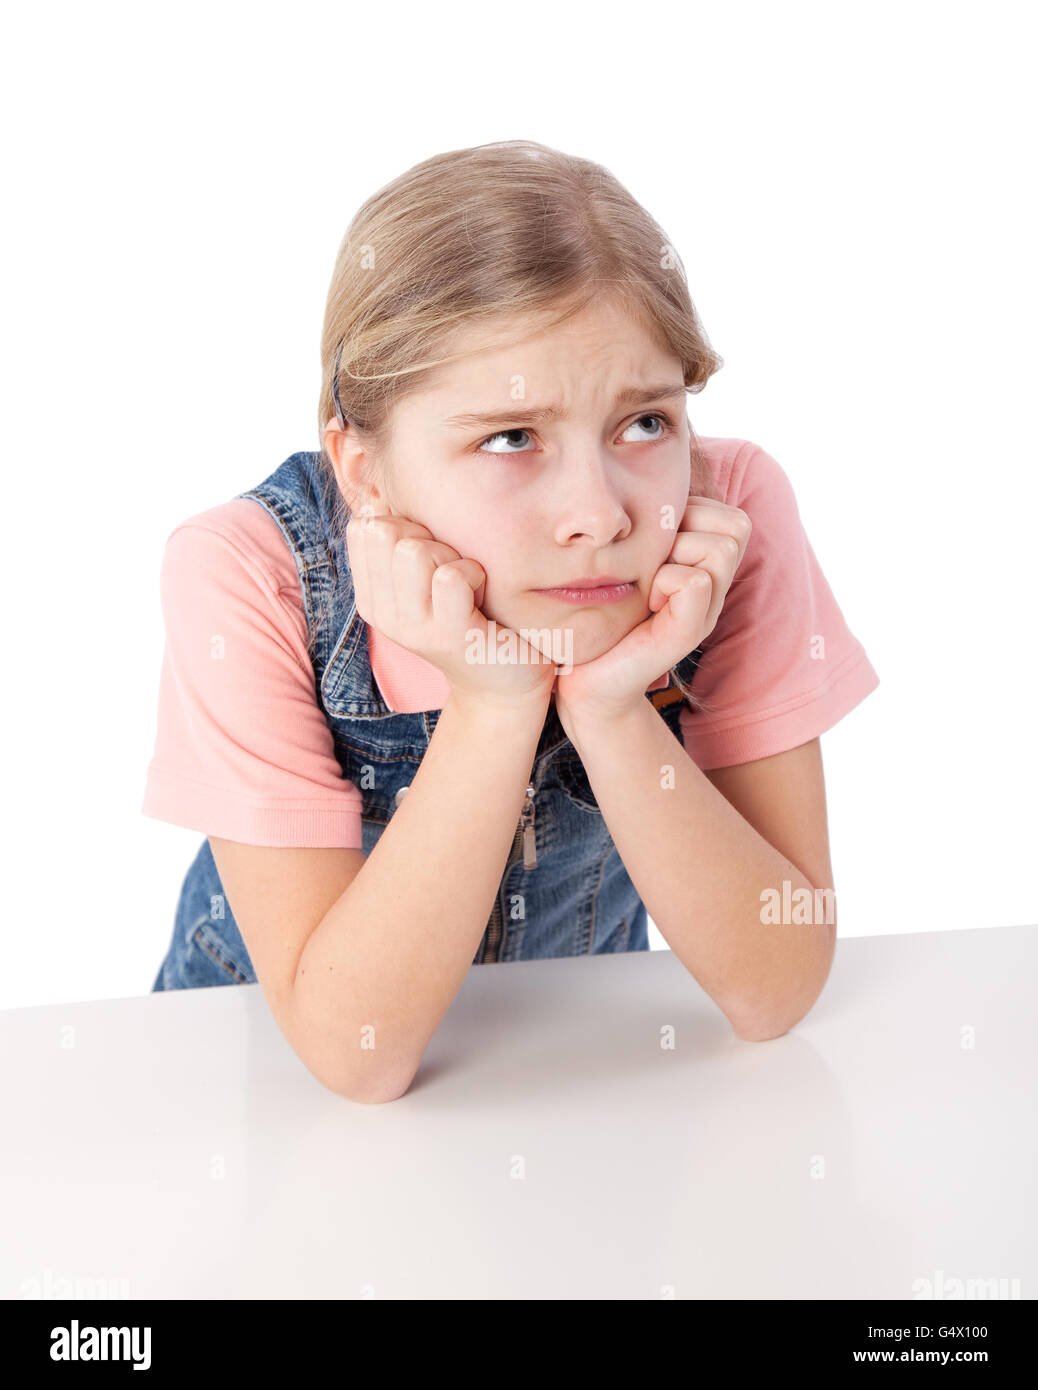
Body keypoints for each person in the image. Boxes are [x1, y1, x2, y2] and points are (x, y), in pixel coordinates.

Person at [141, 138, 880, 1103]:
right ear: (362, 467)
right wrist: (494, 704)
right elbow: (357, 1056)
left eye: (645, 422)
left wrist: (615, 709)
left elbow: (776, 987)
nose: (601, 514)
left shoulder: (727, 521)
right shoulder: (250, 573)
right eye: (512, 438)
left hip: (568, 1078)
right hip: (253, 1102)